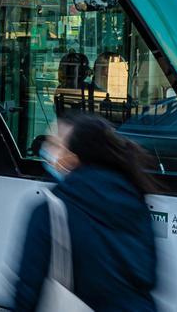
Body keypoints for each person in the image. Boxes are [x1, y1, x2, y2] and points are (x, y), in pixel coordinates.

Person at [13, 113, 159, 312]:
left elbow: (26, 292)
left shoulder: (51, 210)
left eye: (55, 144)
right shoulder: (134, 198)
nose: (46, 149)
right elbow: (148, 276)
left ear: (73, 158)